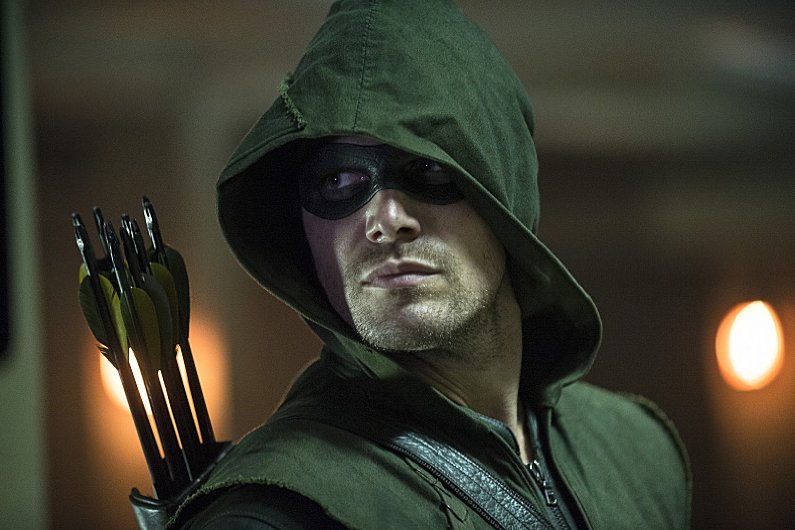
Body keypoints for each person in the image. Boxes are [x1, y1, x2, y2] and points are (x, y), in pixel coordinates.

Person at [169, 0, 691, 528]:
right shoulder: (273, 514)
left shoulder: (637, 455)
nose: (385, 219)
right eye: (338, 181)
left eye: (427, 167)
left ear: (504, 190)